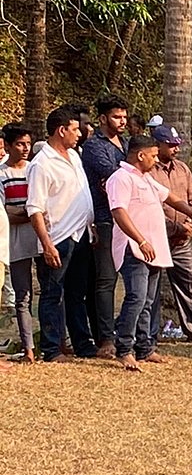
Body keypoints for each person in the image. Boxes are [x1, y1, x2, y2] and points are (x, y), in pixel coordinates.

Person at [107, 135, 192, 371]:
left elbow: (170, 197)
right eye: (152, 155)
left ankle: (145, 347)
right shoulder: (121, 178)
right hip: (135, 249)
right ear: (141, 155)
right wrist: (140, 239)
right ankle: (124, 349)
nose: (155, 159)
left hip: (154, 249)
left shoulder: (146, 179)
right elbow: (119, 212)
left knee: (148, 300)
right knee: (136, 297)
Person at [27, 105, 96, 362]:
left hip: (81, 235)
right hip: (58, 238)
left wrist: (91, 227)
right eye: (75, 129)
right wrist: (46, 244)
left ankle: (81, 343)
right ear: (61, 130)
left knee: (78, 292)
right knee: (52, 293)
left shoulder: (74, 156)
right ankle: (52, 347)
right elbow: (34, 208)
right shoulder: (42, 164)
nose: (80, 134)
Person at [147, 125, 192, 345]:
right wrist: (175, 227)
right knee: (151, 290)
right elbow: (151, 207)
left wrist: (189, 222)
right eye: (170, 145)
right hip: (158, 238)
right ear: (157, 144)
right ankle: (150, 333)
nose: (174, 149)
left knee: (188, 285)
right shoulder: (149, 172)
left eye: (176, 145)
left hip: (182, 240)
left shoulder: (182, 168)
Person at [79, 92, 127, 357]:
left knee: (132, 279)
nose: (121, 121)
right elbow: (118, 174)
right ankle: (105, 338)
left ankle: (130, 334)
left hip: (128, 217)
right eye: (116, 116)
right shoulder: (95, 146)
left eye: (123, 116)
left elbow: (135, 172)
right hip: (105, 218)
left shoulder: (126, 142)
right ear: (102, 118)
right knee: (106, 279)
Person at [1, 122, 37, 362]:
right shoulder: (2, 174)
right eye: (20, 144)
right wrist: (32, 214)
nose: (25, 148)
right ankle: (29, 348)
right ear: (8, 146)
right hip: (15, 242)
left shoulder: (35, 169)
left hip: (41, 238)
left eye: (28, 144)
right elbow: (4, 214)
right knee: (22, 295)